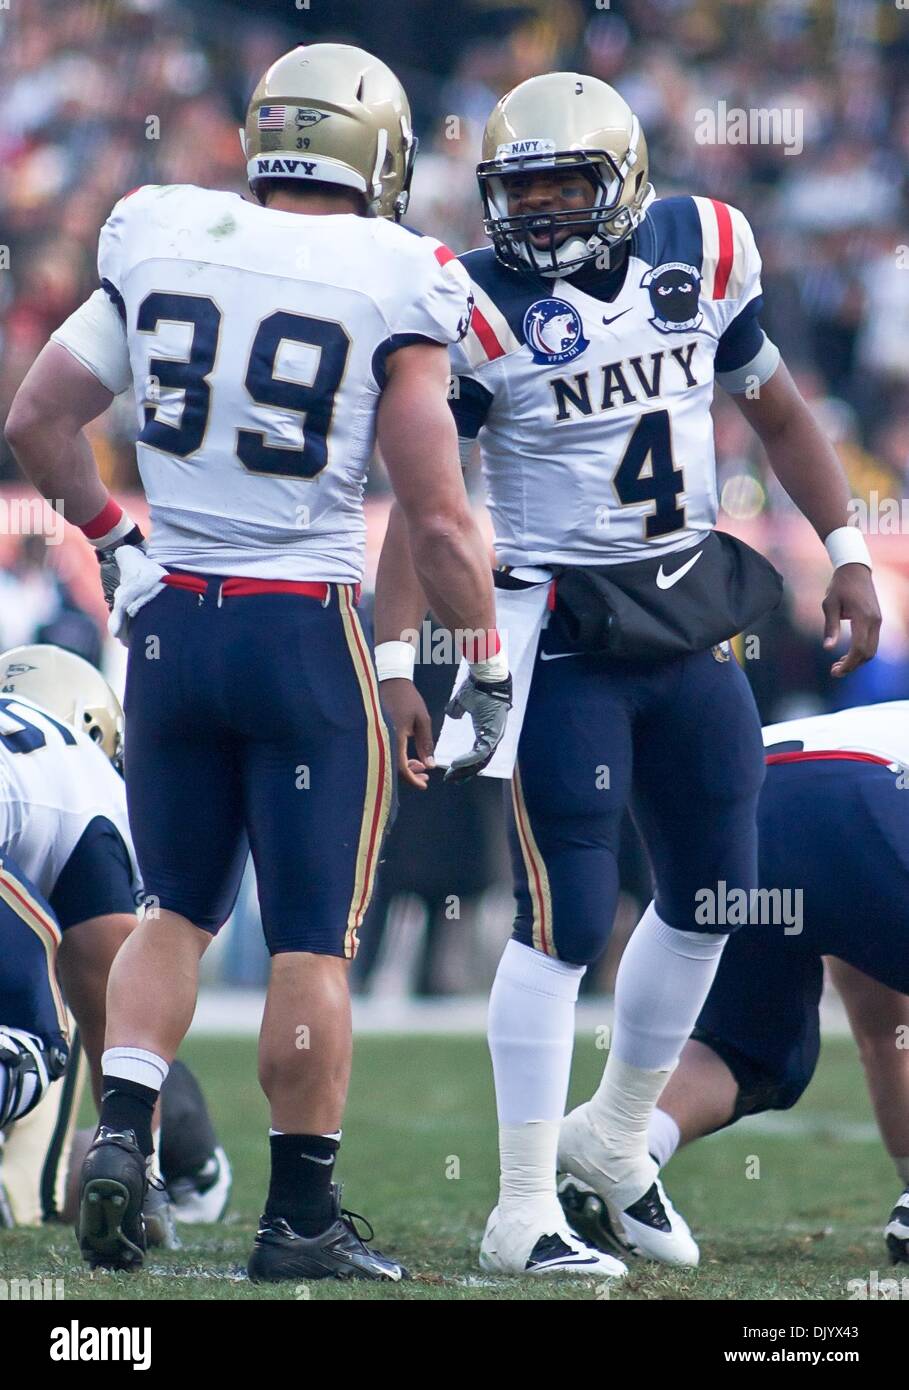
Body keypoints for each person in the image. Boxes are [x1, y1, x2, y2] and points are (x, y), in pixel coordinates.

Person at [5, 43, 510, 1281]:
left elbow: (34, 420)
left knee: (173, 909)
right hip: (303, 629)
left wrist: (119, 540)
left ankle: (120, 1135)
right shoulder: (400, 274)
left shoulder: (160, 229)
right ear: (375, 154)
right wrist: (484, 666)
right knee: (310, 941)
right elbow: (437, 517)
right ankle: (299, 1219)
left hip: (173, 623)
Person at [374, 72, 881, 1276]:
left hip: (690, 611)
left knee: (716, 887)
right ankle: (517, 1207)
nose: (539, 213)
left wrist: (848, 547)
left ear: (625, 180)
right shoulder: (476, 303)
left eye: (564, 186)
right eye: (520, 190)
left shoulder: (701, 246)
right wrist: (400, 657)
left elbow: (781, 411)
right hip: (560, 630)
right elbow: (424, 502)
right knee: (563, 915)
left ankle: (611, 1141)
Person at [561, 700, 909, 1268]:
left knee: (753, 1049)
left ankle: (622, 1152)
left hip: (734, 803)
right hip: (859, 794)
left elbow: (881, 1022)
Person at [0, 644, 228, 1241]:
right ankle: (142, 1183)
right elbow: (114, 1025)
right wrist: (139, 1178)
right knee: (32, 1048)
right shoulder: (85, 775)